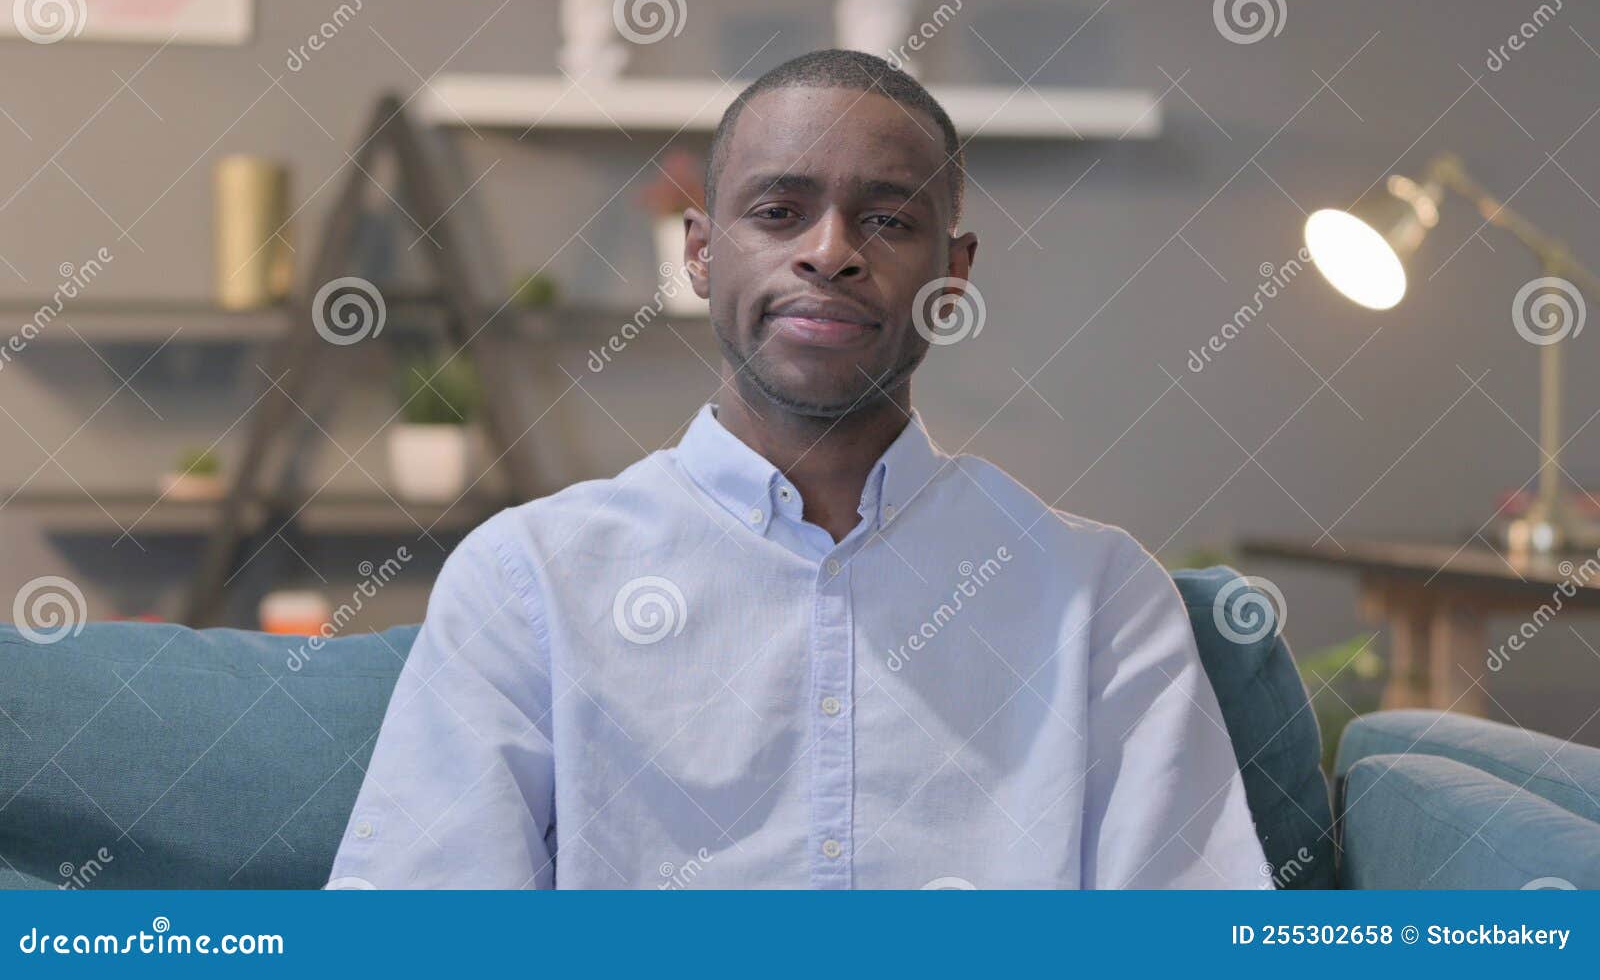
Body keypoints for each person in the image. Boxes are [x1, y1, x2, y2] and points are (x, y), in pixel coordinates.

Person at [327, 49, 1268, 889]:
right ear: (700, 252)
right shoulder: (525, 579)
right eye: (779, 213)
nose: (829, 253)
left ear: (956, 272)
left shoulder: (1098, 596)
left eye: (889, 221)